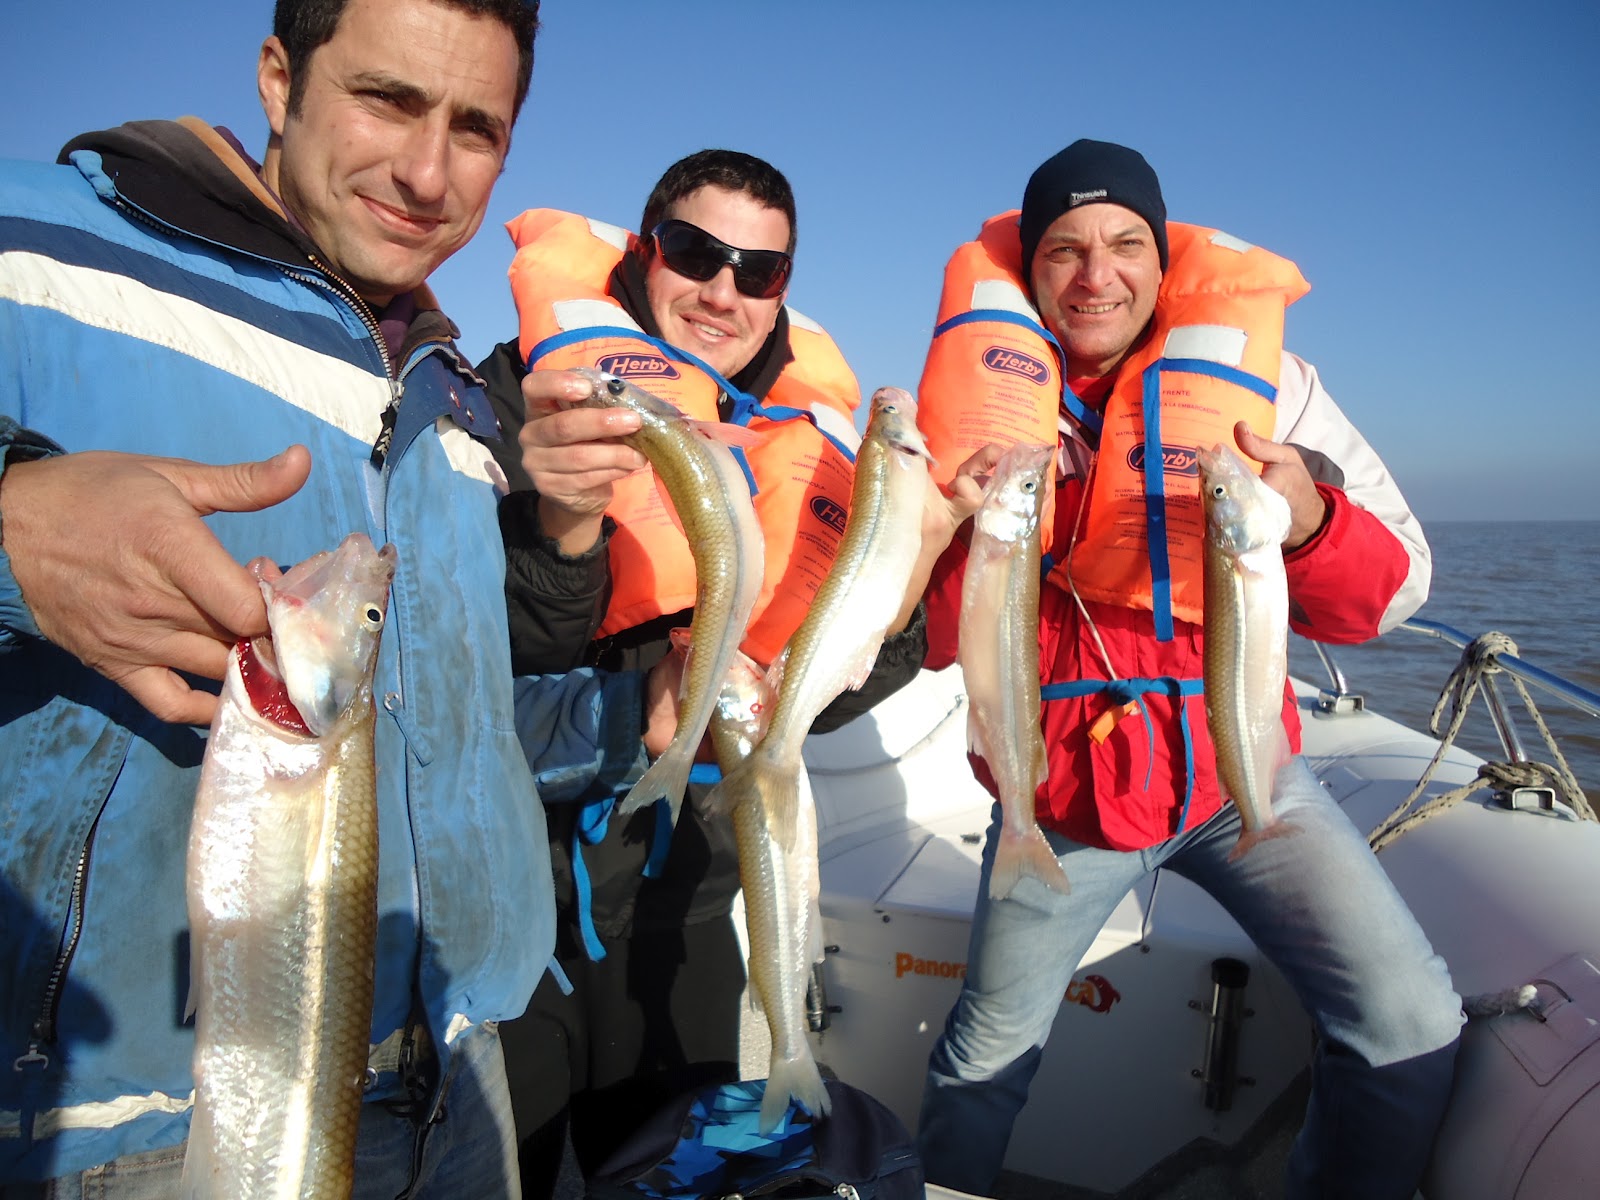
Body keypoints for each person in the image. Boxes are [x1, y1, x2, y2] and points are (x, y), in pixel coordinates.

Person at [0, 2, 583, 1194]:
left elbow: (467, 695)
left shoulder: (458, 392)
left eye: (475, 128)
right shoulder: (32, 247)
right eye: (387, 99)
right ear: (280, 78)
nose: (428, 173)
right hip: (129, 1121)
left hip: (460, 1083)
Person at [912, 139, 1464, 1198]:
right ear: (1026, 271)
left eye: (1125, 243)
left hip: (1241, 775)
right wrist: (952, 524)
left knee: (1408, 1024)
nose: (1095, 273)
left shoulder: (1269, 386)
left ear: (1164, 264)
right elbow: (937, 641)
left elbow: (1390, 598)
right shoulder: (984, 406)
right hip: (1061, 794)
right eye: (1063, 249)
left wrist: (1308, 520)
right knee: (982, 1062)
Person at [475, 149, 974, 1197]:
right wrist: (563, 528)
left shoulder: (816, 440)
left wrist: (917, 559)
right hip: (506, 907)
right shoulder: (520, 396)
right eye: (697, 253)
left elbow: (840, 690)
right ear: (648, 247)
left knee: (676, 1170)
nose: (722, 292)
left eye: (760, 272)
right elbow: (470, 662)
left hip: (687, 899)